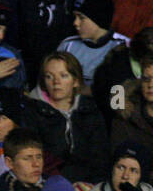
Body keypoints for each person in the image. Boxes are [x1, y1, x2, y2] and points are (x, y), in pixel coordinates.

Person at [29, 52, 110, 183]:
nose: (56, 82)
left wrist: (93, 187)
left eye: (63, 75)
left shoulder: (90, 111)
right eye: (49, 76)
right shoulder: (33, 112)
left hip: (90, 185)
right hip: (49, 185)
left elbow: (100, 158)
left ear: (76, 81)